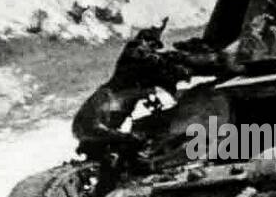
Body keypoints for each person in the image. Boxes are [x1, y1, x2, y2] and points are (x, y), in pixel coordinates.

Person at [72, 20, 195, 169]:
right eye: (152, 45)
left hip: (104, 123)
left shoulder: (137, 72)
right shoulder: (135, 57)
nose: (154, 49)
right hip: (99, 123)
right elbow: (91, 128)